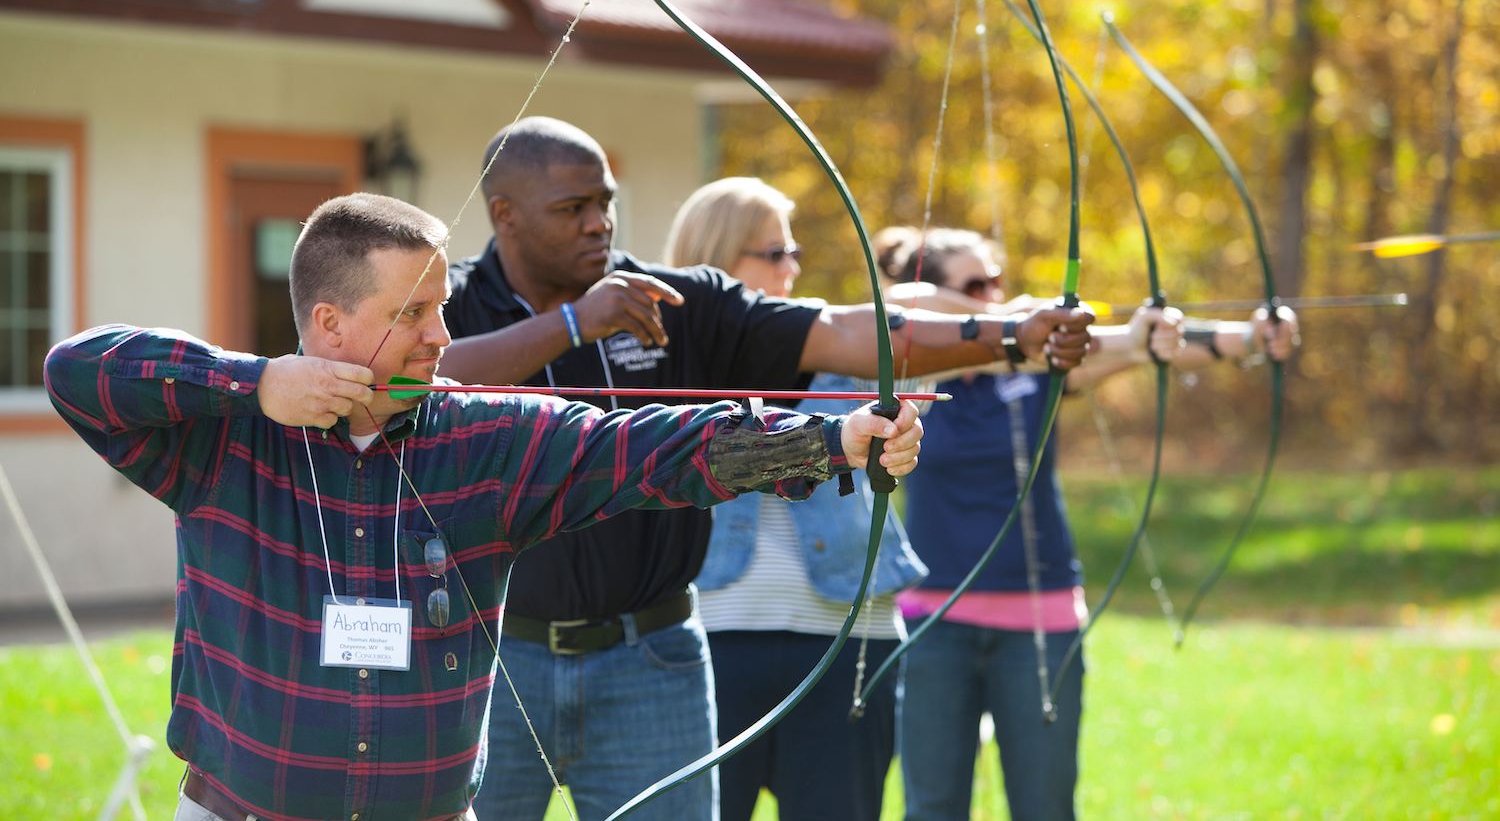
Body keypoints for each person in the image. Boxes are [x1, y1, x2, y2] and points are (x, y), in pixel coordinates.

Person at [43, 193, 926, 821]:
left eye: (441, 309)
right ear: (331, 324)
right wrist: (256, 382)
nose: (442, 336)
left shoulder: (486, 437)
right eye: (413, 313)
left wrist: (830, 441)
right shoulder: (225, 436)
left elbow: (657, 449)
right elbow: (77, 370)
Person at [439, 117, 1095, 821]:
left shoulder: (671, 300)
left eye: (606, 202)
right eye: (573, 208)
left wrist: (1012, 335)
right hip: (490, 657)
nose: (599, 222)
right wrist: (573, 325)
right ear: (505, 213)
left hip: (649, 658)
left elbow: (845, 330)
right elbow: (414, 380)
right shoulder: (449, 303)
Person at [878, 226, 1300, 821]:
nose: (993, 293)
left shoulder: (1038, 362)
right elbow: (900, 304)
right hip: (935, 622)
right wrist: (1012, 318)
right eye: (975, 286)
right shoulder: (911, 370)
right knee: (932, 809)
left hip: (1041, 621)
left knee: (1046, 808)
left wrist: (1250, 337)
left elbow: (1140, 346)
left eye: (996, 281)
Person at [665, 178, 927, 821]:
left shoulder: (841, 345)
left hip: (846, 640)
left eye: (795, 252)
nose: (793, 268)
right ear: (713, 263)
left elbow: (925, 332)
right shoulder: (668, 363)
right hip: (709, 639)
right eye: (774, 253)